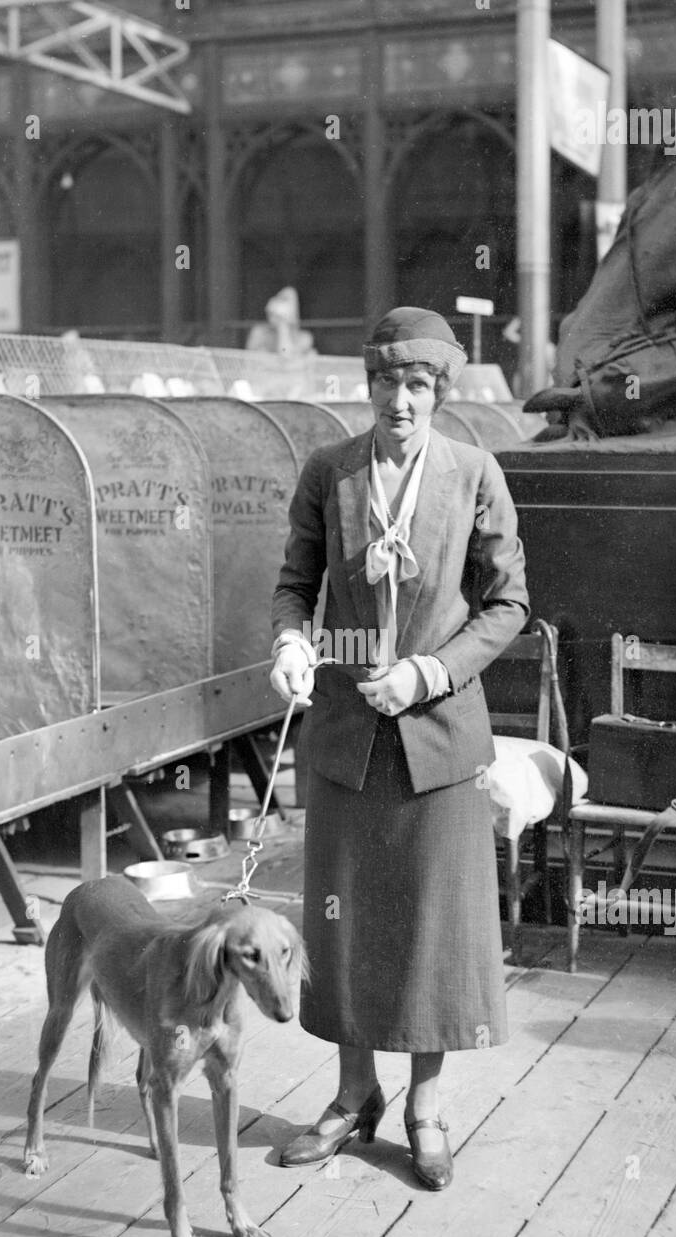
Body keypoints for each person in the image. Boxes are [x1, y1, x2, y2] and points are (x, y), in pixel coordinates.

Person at [269, 306, 529, 1190]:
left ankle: (422, 1107)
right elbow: (294, 585)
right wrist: (291, 646)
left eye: (418, 386)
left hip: (438, 740)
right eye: (386, 383)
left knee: (430, 928)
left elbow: (507, 606)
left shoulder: (473, 474)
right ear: (368, 386)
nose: (401, 401)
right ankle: (351, 1098)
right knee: (342, 924)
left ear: (438, 392)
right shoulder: (327, 473)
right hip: (344, 738)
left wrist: (428, 676)